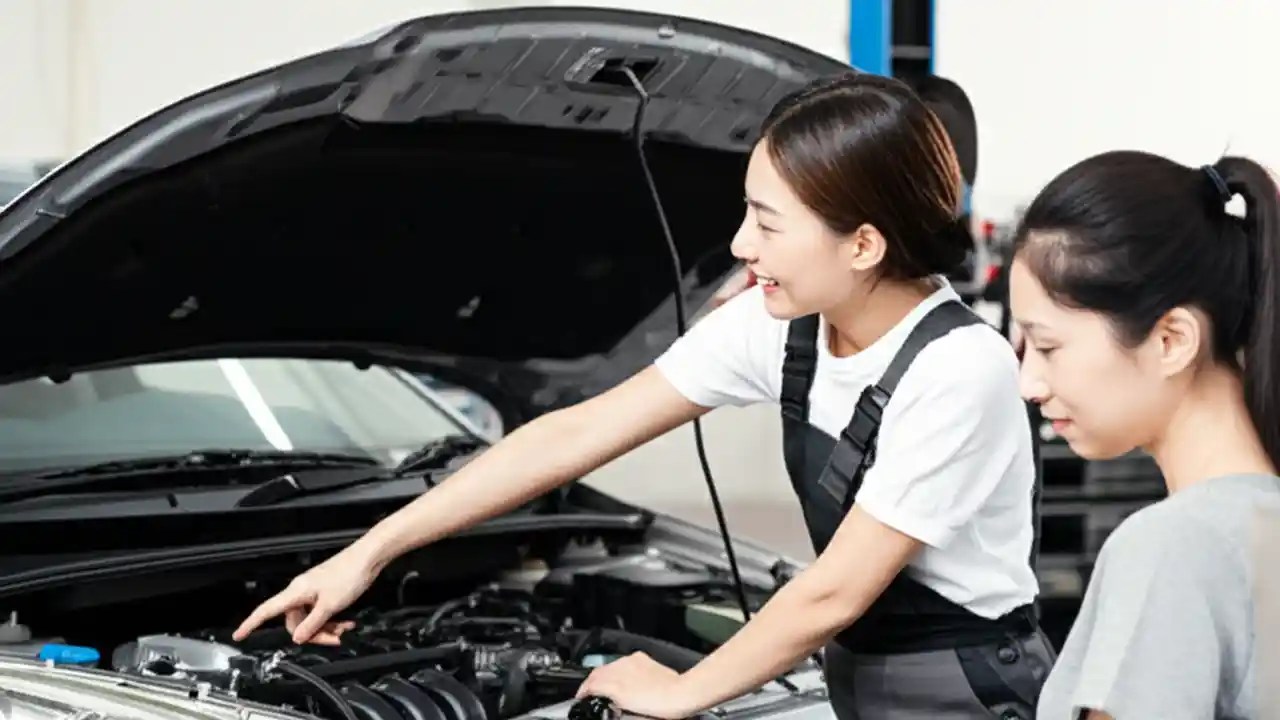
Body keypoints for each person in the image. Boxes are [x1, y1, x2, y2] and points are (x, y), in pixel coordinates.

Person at [232, 73, 1055, 719]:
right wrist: (370, 552)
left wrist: (683, 690)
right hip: (858, 676)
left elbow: (835, 589)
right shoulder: (781, 327)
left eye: (768, 224)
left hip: (967, 689)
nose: (740, 245)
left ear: (865, 244)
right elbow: (572, 434)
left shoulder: (961, 369)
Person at [1007, 149, 1280, 719]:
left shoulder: (1171, 549)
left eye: (1049, 346)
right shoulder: (1258, 526)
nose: (1029, 383)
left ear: (1171, 340)